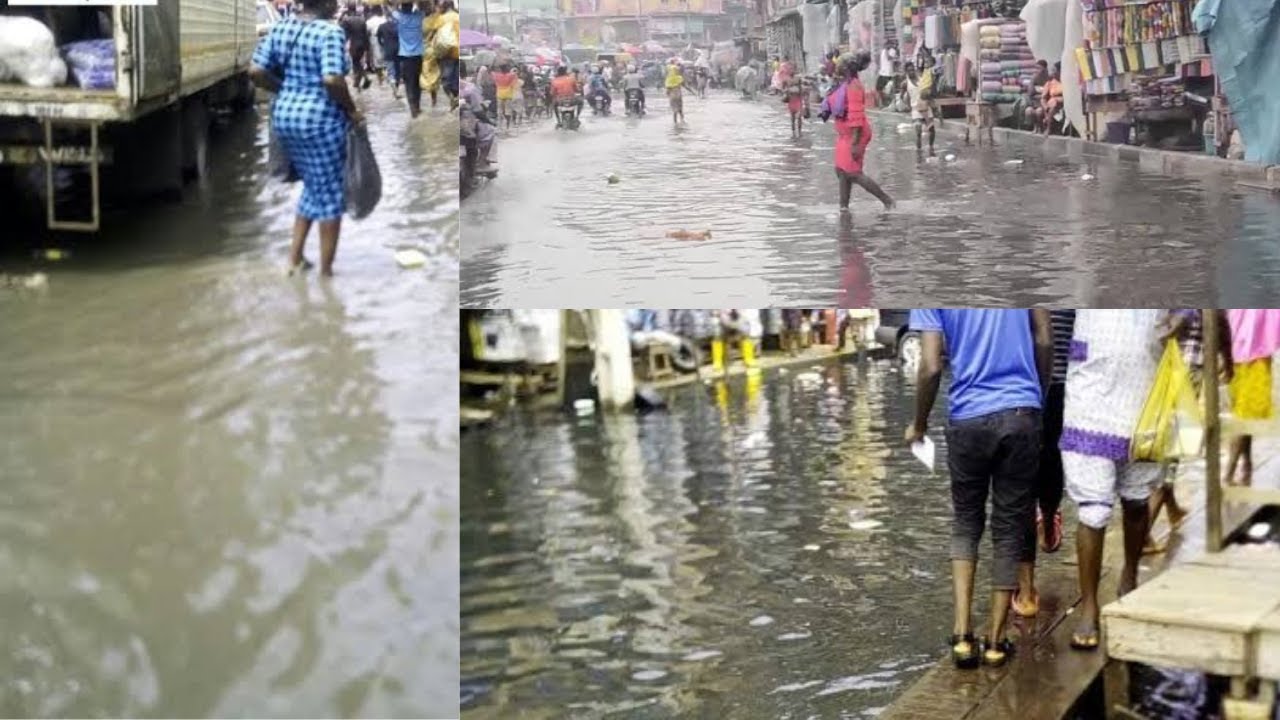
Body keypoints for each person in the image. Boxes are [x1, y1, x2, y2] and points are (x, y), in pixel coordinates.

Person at [906, 309, 1053, 669]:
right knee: (1009, 528)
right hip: (1022, 412)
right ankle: (996, 642)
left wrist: (919, 424)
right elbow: (1045, 337)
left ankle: (961, 636)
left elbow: (930, 365)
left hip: (967, 416)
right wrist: (1039, 396)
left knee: (967, 523)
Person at [1061, 310, 1164, 651]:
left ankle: (1130, 574)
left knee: (1136, 501)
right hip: (1091, 395)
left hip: (1144, 393)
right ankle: (1089, 605)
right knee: (1093, 511)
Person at [250, 0, 363, 277]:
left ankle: (295, 259)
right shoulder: (329, 32)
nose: (337, 5)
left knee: (313, 186)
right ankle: (326, 274)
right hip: (319, 121)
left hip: (284, 117)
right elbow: (333, 79)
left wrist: (287, 89)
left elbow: (255, 72)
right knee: (331, 196)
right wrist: (352, 110)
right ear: (325, 3)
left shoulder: (281, 27)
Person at [1143, 310, 1233, 554]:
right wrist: (1228, 360)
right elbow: (1222, 327)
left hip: (1168, 374)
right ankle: (1143, 536)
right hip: (1184, 376)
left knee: (1170, 452)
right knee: (1171, 457)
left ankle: (1173, 510)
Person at [832, 53, 894, 211]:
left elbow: (856, 115)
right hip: (845, 135)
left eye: (839, 64)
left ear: (846, 68)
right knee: (841, 171)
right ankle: (843, 208)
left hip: (855, 134)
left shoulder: (853, 86)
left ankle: (887, 201)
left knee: (853, 172)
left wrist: (855, 142)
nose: (836, 67)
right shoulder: (845, 84)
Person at [1225, 309, 1280, 487]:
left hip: (1244, 356)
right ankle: (1230, 473)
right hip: (1250, 358)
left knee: (1246, 415)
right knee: (1245, 418)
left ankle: (1245, 466)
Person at [394, 1, 425, 117]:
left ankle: (413, 108)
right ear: (412, 6)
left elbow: (390, 9)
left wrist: (395, 4)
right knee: (417, 82)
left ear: (402, 7)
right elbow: (423, 8)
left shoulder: (399, 17)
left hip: (405, 57)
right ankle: (417, 106)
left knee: (409, 83)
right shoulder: (419, 16)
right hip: (418, 55)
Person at [433, 0, 460, 107]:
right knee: (456, 79)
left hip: (446, 52)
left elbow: (435, 35)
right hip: (457, 51)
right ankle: (456, 100)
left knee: (446, 80)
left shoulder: (441, 19)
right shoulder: (458, 17)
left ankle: (452, 99)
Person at [339, 3, 371, 90]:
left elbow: (344, 34)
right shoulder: (362, 19)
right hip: (362, 44)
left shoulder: (347, 20)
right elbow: (365, 34)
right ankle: (358, 82)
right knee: (358, 62)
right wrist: (367, 47)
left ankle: (362, 80)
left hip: (353, 44)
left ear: (348, 9)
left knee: (356, 62)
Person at [904, 63, 935, 153]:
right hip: (915, 109)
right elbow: (904, 95)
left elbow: (929, 88)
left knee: (932, 130)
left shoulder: (922, 79)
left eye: (912, 69)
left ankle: (931, 147)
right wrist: (909, 106)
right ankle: (919, 150)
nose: (911, 72)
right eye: (909, 70)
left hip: (926, 106)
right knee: (918, 131)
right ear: (906, 72)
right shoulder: (905, 83)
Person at [375, 7, 399, 97]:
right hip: (398, 50)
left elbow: (378, 38)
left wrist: (382, 45)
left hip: (388, 49)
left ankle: (393, 84)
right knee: (398, 69)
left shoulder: (382, 26)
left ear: (386, 16)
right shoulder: (397, 25)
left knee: (390, 69)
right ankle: (396, 86)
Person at [1024, 59, 1049, 130]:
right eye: (1036, 68)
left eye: (1039, 68)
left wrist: (1038, 91)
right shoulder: (1034, 78)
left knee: (1039, 112)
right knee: (1028, 111)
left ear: (1045, 69)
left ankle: (1041, 127)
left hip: (1044, 104)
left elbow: (1047, 94)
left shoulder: (1048, 79)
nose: (1037, 70)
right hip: (1034, 103)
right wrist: (1041, 91)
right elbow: (1030, 93)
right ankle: (1035, 126)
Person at [1041, 63, 1064, 135]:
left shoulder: (1065, 83)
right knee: (1051, 106)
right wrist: (1045, 106)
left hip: (1062, 104)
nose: (1052, 72)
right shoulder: (1050, 83)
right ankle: (1047, 125)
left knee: (1054, 103)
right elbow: (1043, 98)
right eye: (1052, 70)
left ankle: (1048, 128)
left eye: (1054, 70)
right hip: (1050, 106)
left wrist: (1057, 100)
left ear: (1060, 71)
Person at [492, 62, 517, 127]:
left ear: (500, 69)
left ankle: (500, 124)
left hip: (499, 94)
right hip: (508, 94)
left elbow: (494, 79)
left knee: (500, 109)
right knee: (508, 110)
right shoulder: (511, 75)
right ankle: (507, 124)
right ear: (507, 68)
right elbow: (514, 82)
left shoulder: (497, 75)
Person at [784, 73, 806, 138]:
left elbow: (802, 95)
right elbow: (785, 92)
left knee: (799, 117)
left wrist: (804, 103)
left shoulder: (800, 88)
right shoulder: (788, 85)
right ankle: (793, 132)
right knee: (793, 118)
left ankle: (799, 131)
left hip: (798, 102)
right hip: (791, 102)